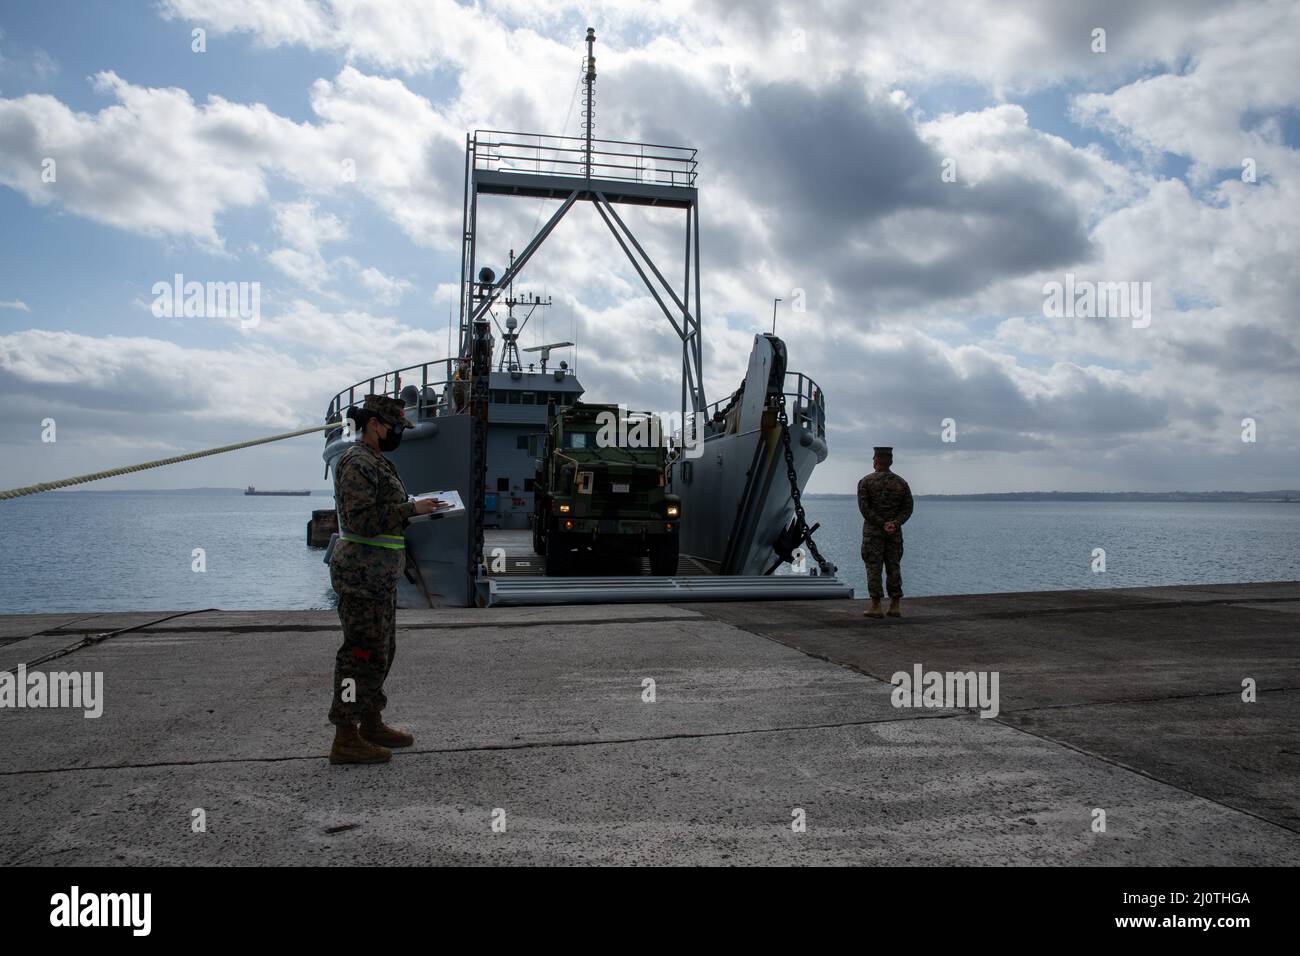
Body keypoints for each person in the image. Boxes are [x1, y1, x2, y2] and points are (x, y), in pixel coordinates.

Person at [327, 394, 443, 765]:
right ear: (375, 424)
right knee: (358, 655)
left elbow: (383, 511)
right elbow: (361, 520)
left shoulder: (377, 461)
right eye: (395, 427)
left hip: (378, 575)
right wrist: (411, 509)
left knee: (380, 652)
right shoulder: (356, 462)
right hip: (361, 574)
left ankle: (371, 721)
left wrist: (415, 508)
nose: (398, 434)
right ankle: (345, 735)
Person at [857, 446, 914, 619]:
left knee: (873, 568)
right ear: (890, 461)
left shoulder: (866, 482)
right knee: (894, 567)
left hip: (873, 533)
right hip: (894, 533)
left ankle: (876, 606)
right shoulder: (901, 483)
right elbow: (908, 508)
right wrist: (894, 523)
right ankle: (895, 606)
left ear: (875, 460)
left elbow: (864, 509)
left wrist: (881, 523)